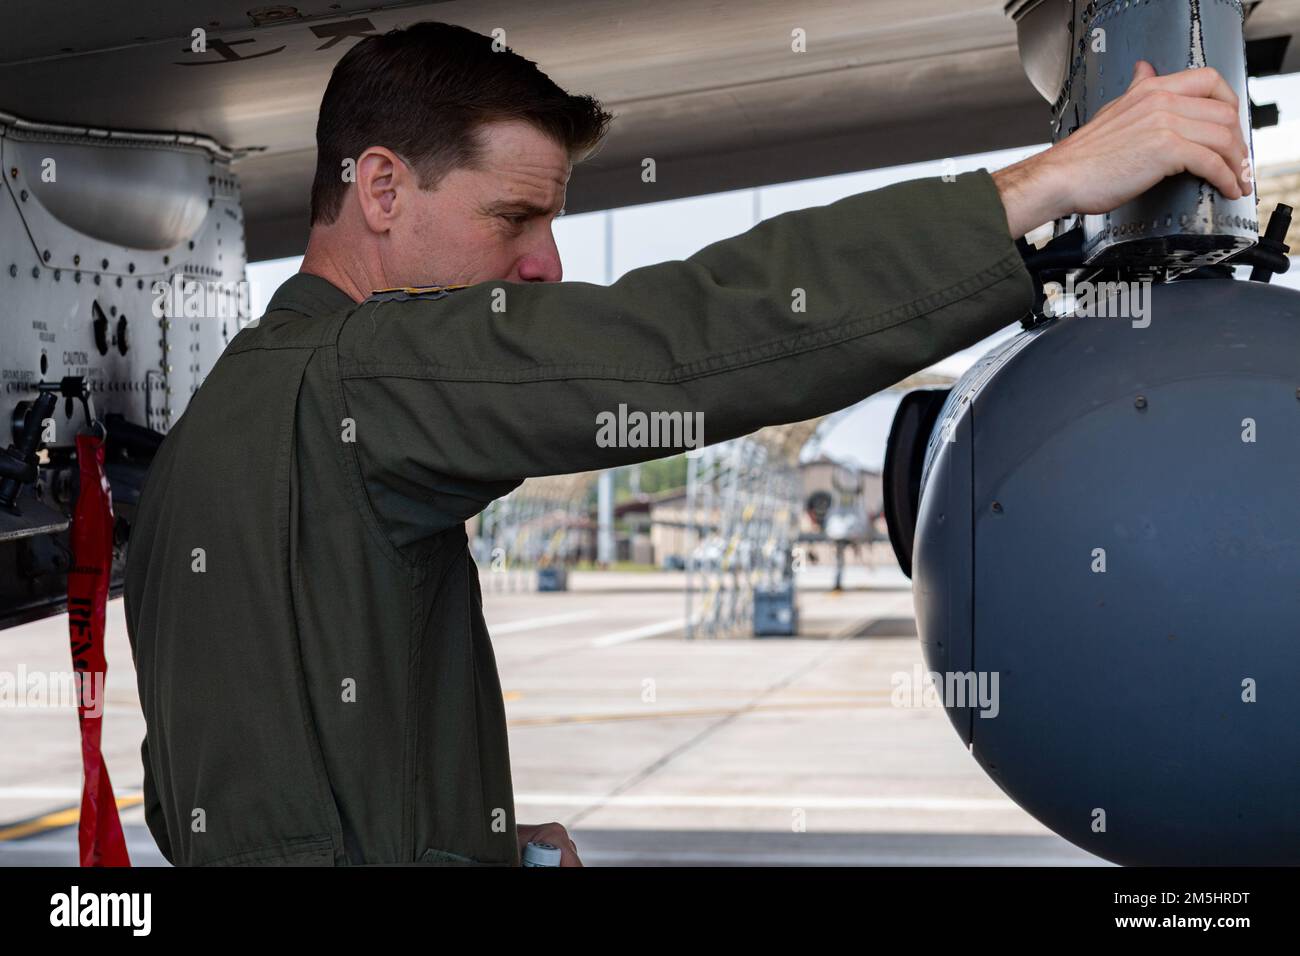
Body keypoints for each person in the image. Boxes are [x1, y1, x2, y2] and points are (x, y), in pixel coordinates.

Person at [124, 21, 1250, 866]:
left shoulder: (225, 416)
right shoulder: (359, 379)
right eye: (514, 218)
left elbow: (243, 783)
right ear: (379, 188)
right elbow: (691, 339)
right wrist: (1042, 185)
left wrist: (469, 840)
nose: (545, 265)